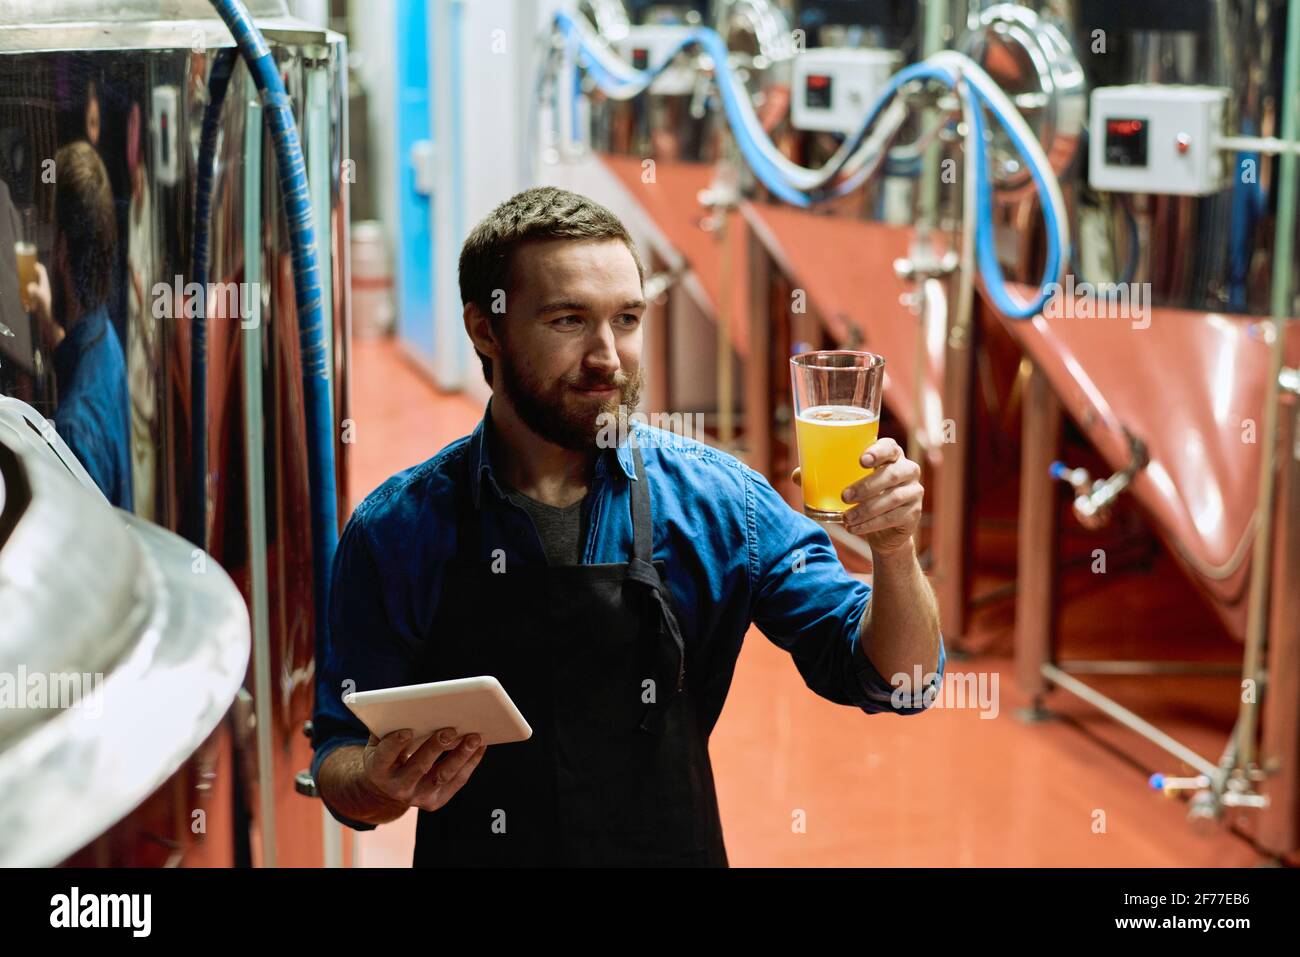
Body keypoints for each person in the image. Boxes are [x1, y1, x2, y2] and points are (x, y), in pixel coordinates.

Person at [312, 186, 944, 866]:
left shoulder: (718, 502)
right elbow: (338, 758)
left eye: (627, 318)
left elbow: (896, 680)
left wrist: (895, 550)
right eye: (567, 320)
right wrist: (378, 782)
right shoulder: (398, 530)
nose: (607, 356)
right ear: (484, 328)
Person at [27, 141, 132, 510]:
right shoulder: (105, 339)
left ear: (63, 249)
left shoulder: (73, 430)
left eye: (46, 228)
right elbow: (81, 368)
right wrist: (47, 320)